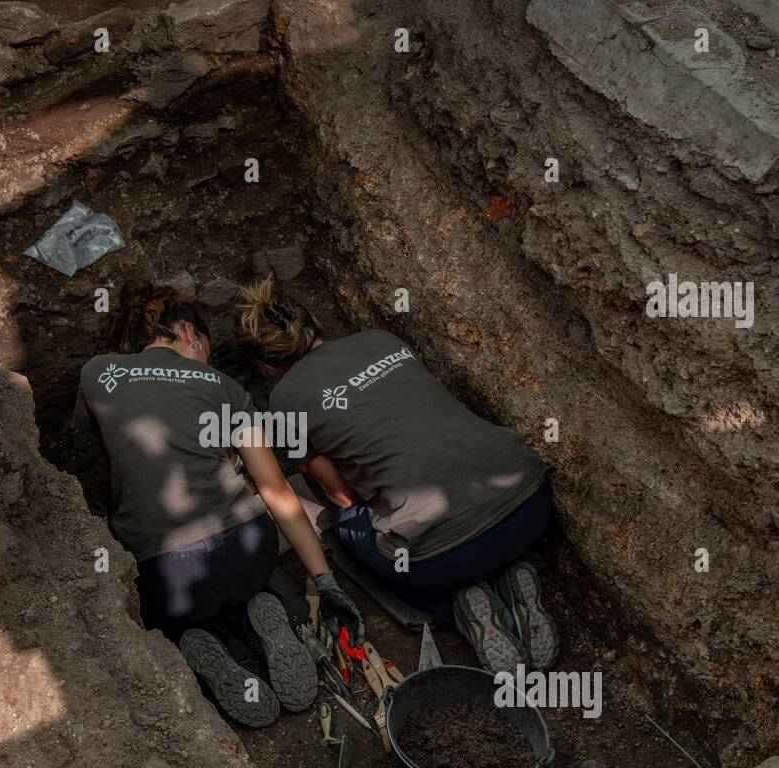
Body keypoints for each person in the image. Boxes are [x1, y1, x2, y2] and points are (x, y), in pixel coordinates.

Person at [73, 279, 364, 727]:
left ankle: (194, 639)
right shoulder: (222, 385)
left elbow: (98, 455)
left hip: (171, 581)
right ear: (190, 333)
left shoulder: (98, 373)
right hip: (250, 553)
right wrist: (324, 581)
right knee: (244, 539)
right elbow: (276, 491)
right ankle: (256, 606)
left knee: (151, 588)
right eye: (205, 345)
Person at [234, 277, 559, 674]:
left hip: (445, 558)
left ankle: (455, 605)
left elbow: (342, 495)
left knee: (344, 521)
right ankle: (510, 580)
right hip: (531, 505)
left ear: (267, 364)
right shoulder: (382, 339)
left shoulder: (285, 399)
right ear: (314, 321)